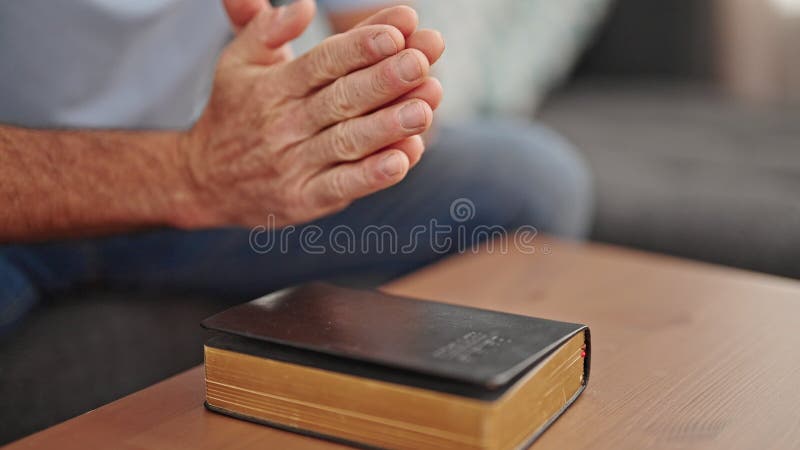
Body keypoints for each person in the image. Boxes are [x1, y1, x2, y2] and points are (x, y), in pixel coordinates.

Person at [0, 0, 592, 332]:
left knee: (526, 180)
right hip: (19, 219)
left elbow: (380, 32)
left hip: (208, 198)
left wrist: (376, 104)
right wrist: (191, 172)